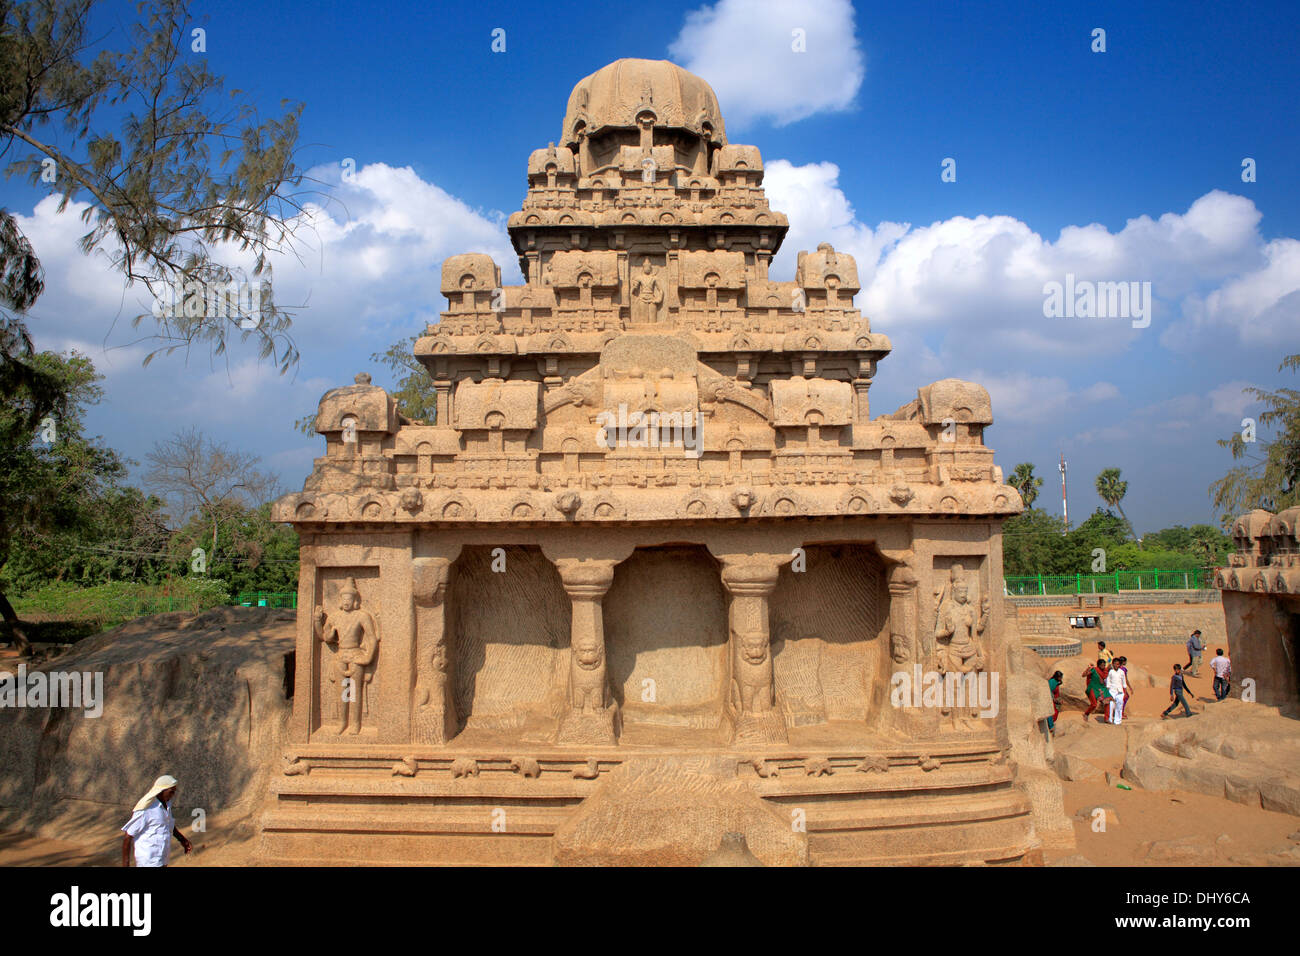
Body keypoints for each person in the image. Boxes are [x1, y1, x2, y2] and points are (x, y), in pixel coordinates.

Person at [121, 774, 192, 867]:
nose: (173, 795)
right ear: (161, 791)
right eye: (171, 792)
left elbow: (168, 825)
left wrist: (183, 840)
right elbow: (128, 836)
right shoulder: (146, 809)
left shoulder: (167, 805)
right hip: (148, 860)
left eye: (174, 792)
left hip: (162, 858)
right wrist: (125, 864)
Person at [1106, 659, 1128, 725]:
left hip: (1120, 691)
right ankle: (1110, 719)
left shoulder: (1121, 672)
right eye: (1115, 664)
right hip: (1112, 691)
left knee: (1119, 705)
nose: (1116, 665)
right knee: (1111, 705)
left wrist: (1125, 692)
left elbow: (1124, 682)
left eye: (1118, 664)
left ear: (1119, 665)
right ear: (1113, 664)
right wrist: (1107, 691)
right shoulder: (1111, 672)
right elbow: (1108, 681)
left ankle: (1117, 721)